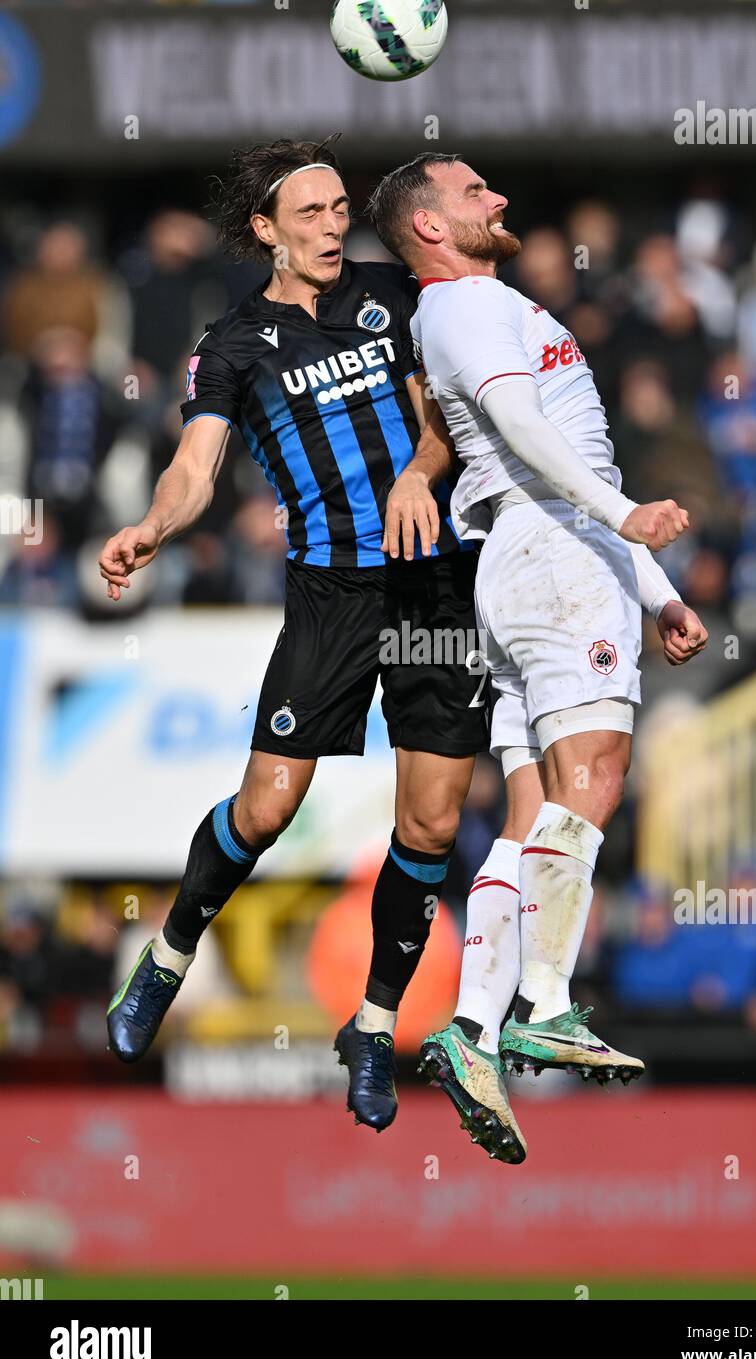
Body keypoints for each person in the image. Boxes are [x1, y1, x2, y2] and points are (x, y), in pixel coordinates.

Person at [97, 138, 490, 1134]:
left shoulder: (394, 296)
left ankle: (370, 1025)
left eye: (337, 209)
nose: (330, 226)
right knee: (267, 809)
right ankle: (171, 955)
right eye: (307, 213)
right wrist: (153, 524)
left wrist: (418, 469)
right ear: (264, 229)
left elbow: (447, 406)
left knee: (431, 826)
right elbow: (195, 465)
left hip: (434, 586)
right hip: (332, 595)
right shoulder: (232, 343)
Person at [368, 153, 707, 1161]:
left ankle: (470, 1030)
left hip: (540, 559)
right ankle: (546, 1002)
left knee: (527, 816)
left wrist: (655, 586)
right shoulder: (465, 304)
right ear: (428, 225)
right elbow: (519, 429)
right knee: (592, 779)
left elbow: (559, 448)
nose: (499, 200)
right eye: (474, 192)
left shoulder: (481, 304)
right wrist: (625, 519)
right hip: (554, 550)